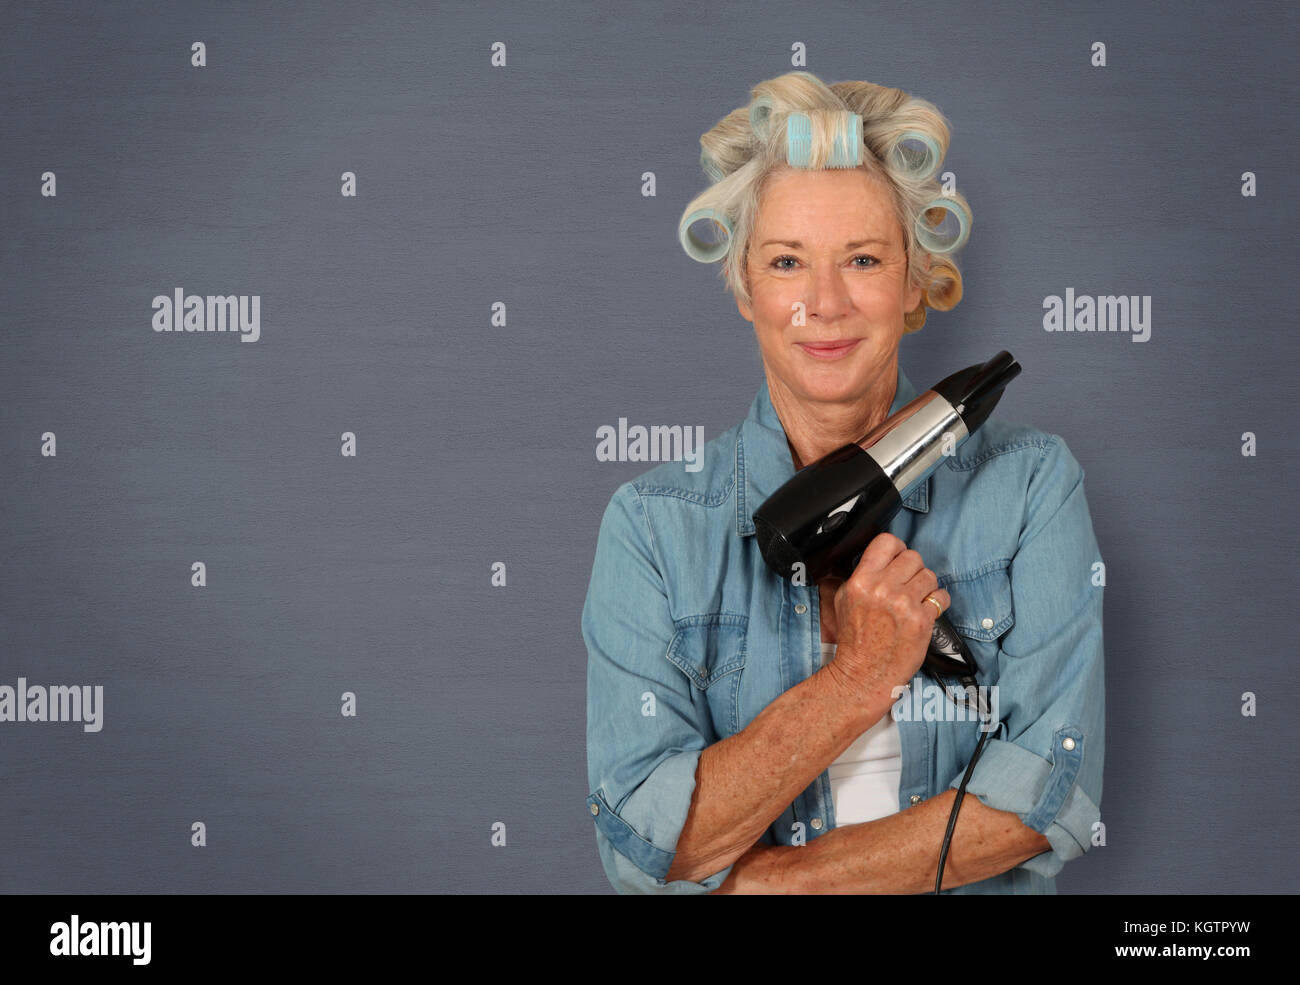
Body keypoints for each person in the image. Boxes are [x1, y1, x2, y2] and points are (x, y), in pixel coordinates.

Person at [582, 71, 1104, 894]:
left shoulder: (1030, 486)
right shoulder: (653, 527)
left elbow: (1048, 797)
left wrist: (778, 886)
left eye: (862, 259)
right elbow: (649, 839)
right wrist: (856, 680)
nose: (823, 303)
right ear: (748, 288)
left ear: (910, 283)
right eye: (787, 262)